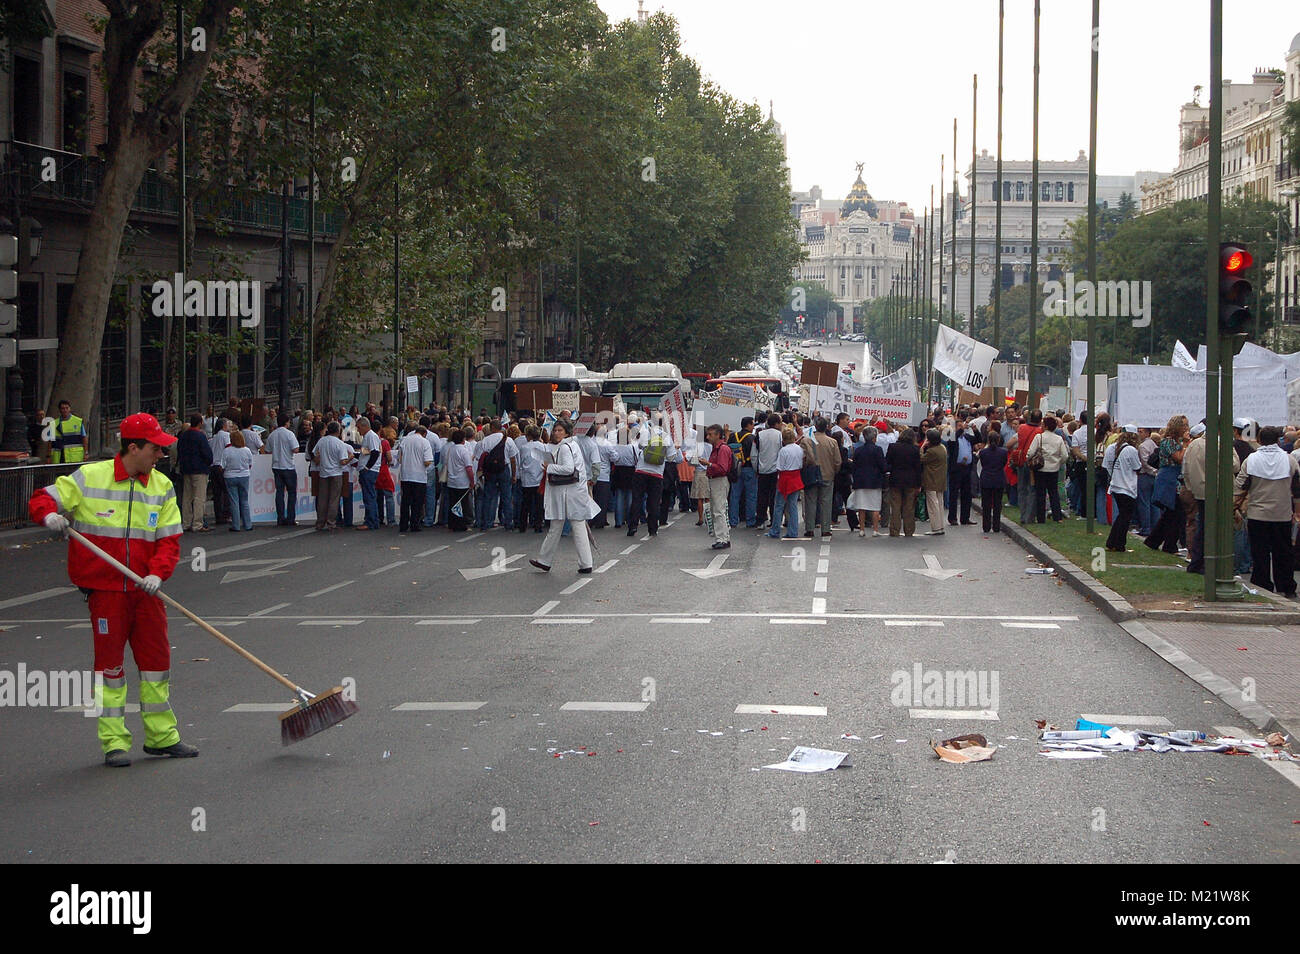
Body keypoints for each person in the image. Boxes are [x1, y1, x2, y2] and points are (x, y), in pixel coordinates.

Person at [28, 413, 194, 767]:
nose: (160, 456)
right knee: (110, 669)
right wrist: (49, 517)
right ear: (133, 448)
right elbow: (42, 498)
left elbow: (169, 541)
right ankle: (114, 742)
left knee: (156, 664)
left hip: (147, 591)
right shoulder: (90, 477)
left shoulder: (162, 486)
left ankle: (162, 737)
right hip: (105, 592)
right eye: (155, 449)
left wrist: (158, 574)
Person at [1235, 425, 1300, 596]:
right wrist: (1297, 512)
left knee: (1260, 552)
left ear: (1259, 440)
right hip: (1282, 513)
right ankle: (1286, 585)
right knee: (1283, 552)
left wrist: (1234, 506)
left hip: (1258, 513)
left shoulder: (1251, 460)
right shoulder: (1290, 461)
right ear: (1278, 440)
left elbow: (1241, 487)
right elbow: (1297, 490)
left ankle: (1262, 583)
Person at [530, 418, 599, 572]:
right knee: (575, 526)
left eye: (560, 430)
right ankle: (584, 563)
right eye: (555, 430)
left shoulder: (566, 447)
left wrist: (550, 467)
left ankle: (545, 560)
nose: (556, 433)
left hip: (567, 493)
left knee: (560, 525)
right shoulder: (571, 444)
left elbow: (568, 469)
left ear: (567, 432)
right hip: (573, 492)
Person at [1145, 415, 1189, 554]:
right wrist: (1187, 443)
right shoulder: (1168, 442)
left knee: (1171, 514)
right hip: (1169, 480)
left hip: (1176, 479)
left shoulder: (1177, 442)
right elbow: (1180, 458)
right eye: (1184, 425)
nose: (1187, 428)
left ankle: (1155, 541)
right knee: (1175, 512)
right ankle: (1168, 544)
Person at [1105, 429, 1143, 551]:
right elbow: (1137, 466)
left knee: (1122, 516)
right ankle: (1119, 543)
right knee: (1125, 517)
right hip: (1126, 487)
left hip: (1116, 485)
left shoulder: (1114, 448)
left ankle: (1112, 542)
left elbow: (1107, 465)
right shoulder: (1131, 450)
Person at [312, 421, 352, 531]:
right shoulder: (339, 443)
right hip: (336, 473)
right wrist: (350, 458)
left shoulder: (321, 441)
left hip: (323, 473)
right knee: (334, 499)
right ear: (338, 431)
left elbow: (315, 455)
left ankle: (320, 522)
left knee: (322, 499)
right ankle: (331, 522)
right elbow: (343, 461)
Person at [1027, 416, 1068, 523]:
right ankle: (1057, 516)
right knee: (1054, 493)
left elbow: (1031, 452)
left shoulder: (1039, 437)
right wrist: (1058, 462)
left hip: (1040, 469)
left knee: (1040, 494)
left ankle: (1041, 518)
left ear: (1045, 426)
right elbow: (1065, 455)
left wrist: (1028, 459)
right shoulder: (1058, 439)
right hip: (1054, 469)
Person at [394, 424, 434, 533]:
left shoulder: (405, 440)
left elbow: (399, 458)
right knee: (417, 502)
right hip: (419, 476)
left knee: (405, 501)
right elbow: (427, 461)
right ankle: (414, 524)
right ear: (424, 433)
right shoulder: (425, 442)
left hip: (406, 475)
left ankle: (403, 524)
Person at [176, 414, 212, 532]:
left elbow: (179, 451)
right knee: (199, 497)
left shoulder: (183, 436)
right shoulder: (200, 436)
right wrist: (208, 462)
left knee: (187, 497)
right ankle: (197, 523)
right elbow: (207, 453)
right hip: (200, 469)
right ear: (200, 423)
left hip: (186, 469)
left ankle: (186, 522)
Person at [849, 425, 886, 538]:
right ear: (874, 437)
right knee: (875, 507)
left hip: (860, 481)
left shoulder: (859, 450)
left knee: (862, 506)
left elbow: (854, 465)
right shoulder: (878, 449)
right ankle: (875, 530)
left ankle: (862, 529)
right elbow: (883, 466)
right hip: (875, 481)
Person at [885, 428, 922, 538]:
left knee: (895, 506)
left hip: (896, 479)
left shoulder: (893, 447)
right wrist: (919, 484)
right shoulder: (915, 449)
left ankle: (894, 530)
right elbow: (918, 468)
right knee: (909, 507)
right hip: (911, 481)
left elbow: (888, 462)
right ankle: (909, 530)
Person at [768, 426, 804, 539]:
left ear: (783, 439)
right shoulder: (799, 449)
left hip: (785, 478)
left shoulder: (783, 450)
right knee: (792, 506)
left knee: (779, 506)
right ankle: (793, 531)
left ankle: (775, 530)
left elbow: (780, 467)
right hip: (796, 477)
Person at [267, 412, 301, 526]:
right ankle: (291, 518)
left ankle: (280, 517)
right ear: (287, 422)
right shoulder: (289, 434)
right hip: (288, 465)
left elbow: (267, 449)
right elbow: (296, 449)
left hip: (276, 466)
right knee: (291, 493)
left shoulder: (272, 435)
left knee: (279, 493)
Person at [704, 424, 733, 549]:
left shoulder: (722, 449)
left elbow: (722, 468)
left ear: (717, 435)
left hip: (719, 480)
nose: (708, 437)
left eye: (710, 434)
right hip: (715, 480)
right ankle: (722, 537)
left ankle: (722, 538)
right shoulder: (717, 448)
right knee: (717, 509)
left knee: (718, 510)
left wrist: (709, 464)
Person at [944, 415, 975, 526]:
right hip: (956, 469)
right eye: (959, 426)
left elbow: (978, 440)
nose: (962, 428)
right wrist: (960, 428)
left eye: (962, 425)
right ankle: (952, 518)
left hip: (967, 468)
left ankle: (965, 518)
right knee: (954, 494)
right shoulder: (952, 437)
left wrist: (975, 430)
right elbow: (953, 440)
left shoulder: (966, 437)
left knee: (967, 494)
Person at [221, 428, 255, 531]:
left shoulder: (227, 451)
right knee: (244, 501)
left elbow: (222, 465)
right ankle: (248, 524)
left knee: (234, 501)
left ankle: (236, 525)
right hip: (244, 475)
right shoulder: (246, 450)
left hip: (230, 476)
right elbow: (250, 464)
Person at [754, 412, 783, 528]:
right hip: (775, 470)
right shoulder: (780, 435)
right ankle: (774, 520)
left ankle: (760, 520)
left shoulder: (759, 435)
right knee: (773, 497)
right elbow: (782, 452)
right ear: (776, 424)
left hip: (762, 470)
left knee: (762, 496)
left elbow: (754, 454)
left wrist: (756, 467)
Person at [354, 417, 383, 530]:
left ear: (365, 426)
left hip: (369, 471)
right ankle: (372, 520)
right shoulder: (369, 436)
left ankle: (371, 521)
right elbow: (369, 452)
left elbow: (375, 452)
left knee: (369, 496)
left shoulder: (370, 436)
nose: (358, 430)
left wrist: (367, 467)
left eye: (359, 427)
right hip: (369, 469)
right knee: (370, 495)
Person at [728, 417, 757, 529]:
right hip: (749, 468)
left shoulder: (732, 436)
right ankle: (750, 521)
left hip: (735, 469)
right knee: (751, 496)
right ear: (748, 425)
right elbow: (754, 455)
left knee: (735, 495)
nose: (753, 426)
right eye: (752, 424)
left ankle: (733, 520)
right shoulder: (752, 438)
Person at [978, 431, 1009, 533]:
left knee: (986, 504)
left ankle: (986, 526)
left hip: (986, 478)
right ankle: (996, 526)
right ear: (999, 440)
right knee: (997, 503)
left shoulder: (983, 452)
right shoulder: (1003, 452)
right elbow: (1004, 463)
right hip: (998, 478)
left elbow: (983, 464)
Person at [921, 427, 948, 535]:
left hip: (932, 479)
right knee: (939, 503)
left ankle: (936, 527)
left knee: (932, 505)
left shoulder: (931, 451)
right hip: (940, 479)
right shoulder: (942, 448)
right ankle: (940, 525)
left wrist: (922, 447)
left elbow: (921, 459)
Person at [209, 417, 232, 525]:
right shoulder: (226, 436)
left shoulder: (213, 438)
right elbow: (228, 448)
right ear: (224, 426)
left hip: (213, 465)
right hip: (221, 466)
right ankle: (226, 514)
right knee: (226, 491)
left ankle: (218, 515)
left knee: (217, 493)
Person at [49, 399, 87, 464]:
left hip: (74, 456)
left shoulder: (78, 421)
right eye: (63, 408)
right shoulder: (54, 424)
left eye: (67, 408)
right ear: (60, 410)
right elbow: (50, 442)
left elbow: (84, 438)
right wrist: (48, 456)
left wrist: (86, 453)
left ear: (70, 409)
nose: (65, 410)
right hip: (59, 457)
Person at [377, 426, 397, 526]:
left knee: (378, 496)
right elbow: (389, 457)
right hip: (383, 470)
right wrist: (390, 462)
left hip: (374, 470)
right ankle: (391, 520)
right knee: (389, 495)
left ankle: (379, 518)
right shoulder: (385, 443)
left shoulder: (370, 440)